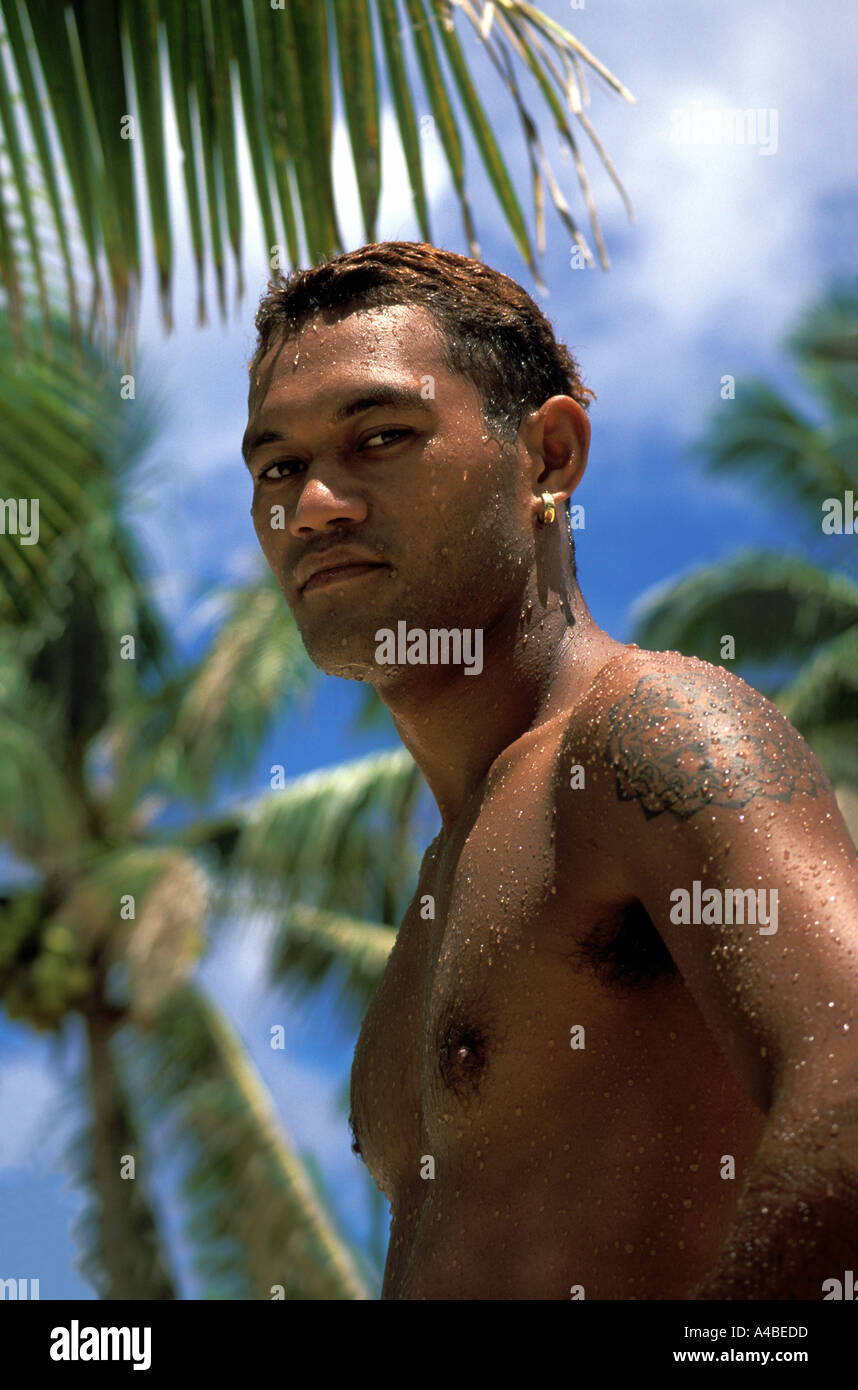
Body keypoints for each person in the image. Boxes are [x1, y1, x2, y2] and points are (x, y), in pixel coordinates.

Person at [242, 241, 858, 1299]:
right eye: (278, 467)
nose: (315, 506)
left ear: (550, 456)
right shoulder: (445, 886)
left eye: (381, 436)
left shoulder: (649, 731)